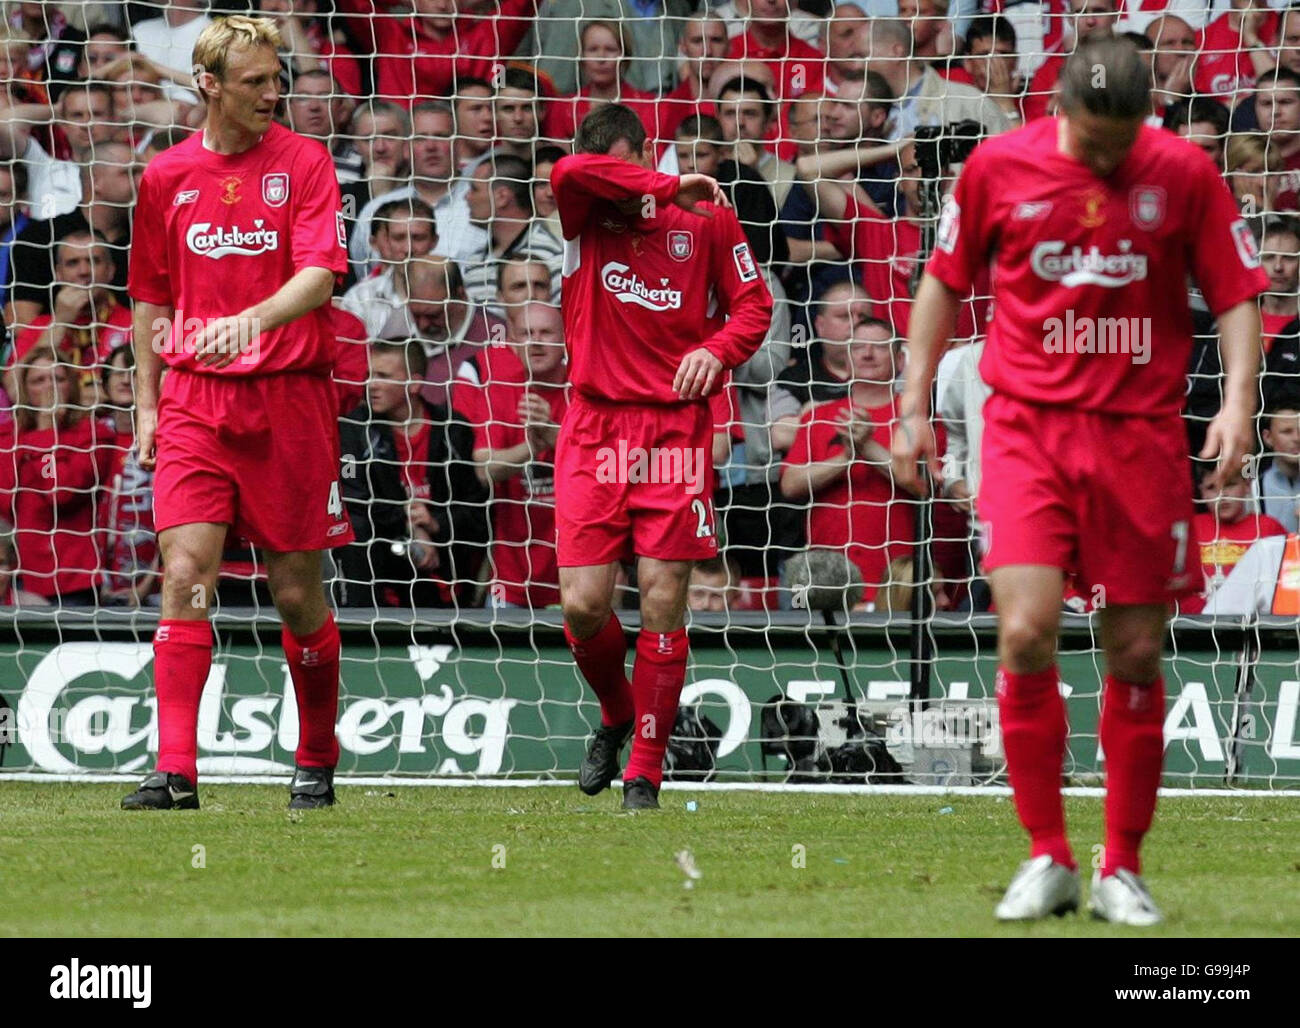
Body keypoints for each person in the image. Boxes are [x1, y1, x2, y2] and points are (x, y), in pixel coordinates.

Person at [892, 38, 1267, 925]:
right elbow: (942, 284)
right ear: (1058, 108)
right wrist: (913, 402)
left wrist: (1239, 403)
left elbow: (1236, 293)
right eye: (1091, 140)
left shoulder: (1183, 173)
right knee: (1024, 632)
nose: (1105, 158)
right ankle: (1048, 856)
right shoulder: (996, 168)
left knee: (1134, 650)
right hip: (1026, 432)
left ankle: (1121, 867)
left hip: (1139, 438)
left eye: (1120, 140)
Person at [122, 16, 352, 812]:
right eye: (255, 82)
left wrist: (250, 321)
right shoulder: (165, 178)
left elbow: (322, 273)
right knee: (185, 575)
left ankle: (318, 754)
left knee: (295, 593)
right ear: (208, 86)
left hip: (289, 399)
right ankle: (175, 770)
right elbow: (151, 295)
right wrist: (148, 404)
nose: (273, 93)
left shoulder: (306, 161)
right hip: (193, 401)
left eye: (276, 77)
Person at [550, 103, 771, 809]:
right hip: (592, 429)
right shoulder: (583, 208)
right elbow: (570, 169)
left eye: (634, 174)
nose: (620, 192)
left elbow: (753, 306)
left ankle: (646, 767)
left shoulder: (708, 218)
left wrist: (717, 350)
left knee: (664, 597)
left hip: (673, 431)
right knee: (584, 606)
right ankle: (617, 714)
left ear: (649, 153)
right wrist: (657, 189)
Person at [336, 339, 487, 608]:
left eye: (382, 376)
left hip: (446, 556)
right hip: (381, 558)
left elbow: (476, 508)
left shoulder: (454, 429)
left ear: (414, 385)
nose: (371, 385)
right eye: (369, 375)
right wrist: (410, 526)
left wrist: (434, 523)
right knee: (354, 528)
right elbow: (354, 501)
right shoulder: (353, 429)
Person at [471, 302, 569, 609]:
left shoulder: (585, 388)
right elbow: (484, 469)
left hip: (578, 576)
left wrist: (552, 432)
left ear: (566, 339)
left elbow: (607, 467)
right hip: (510, 582)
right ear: (512, 342)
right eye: (526, 333)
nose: (535, 341)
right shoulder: (499, 390)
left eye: (545, 333)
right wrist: (534, 444)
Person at [0, 345, 113, 605]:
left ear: (71, 386)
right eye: (39, 380)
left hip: (70, 580)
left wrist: (46, 431)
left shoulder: (94, 436)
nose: (49, 387)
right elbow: (5, 505)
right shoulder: (7, 437)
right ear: (25, 390)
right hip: (13, 576)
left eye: (58, 379)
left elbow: (59, 492)